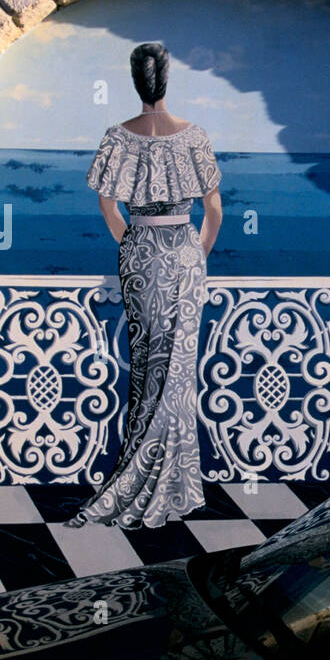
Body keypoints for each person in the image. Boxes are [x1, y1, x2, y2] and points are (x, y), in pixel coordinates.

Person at [66, 43, 224, 529]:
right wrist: (195, 256)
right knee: (178, 373)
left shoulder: (117, 137)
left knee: (148, 371)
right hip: (183, 256)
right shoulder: (193, 136)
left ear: (137, 82)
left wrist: (134, 244)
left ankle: (142, 479)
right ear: (167, 80)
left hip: (140, 256)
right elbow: (214, 211)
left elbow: (109, 207)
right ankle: (178, 485)